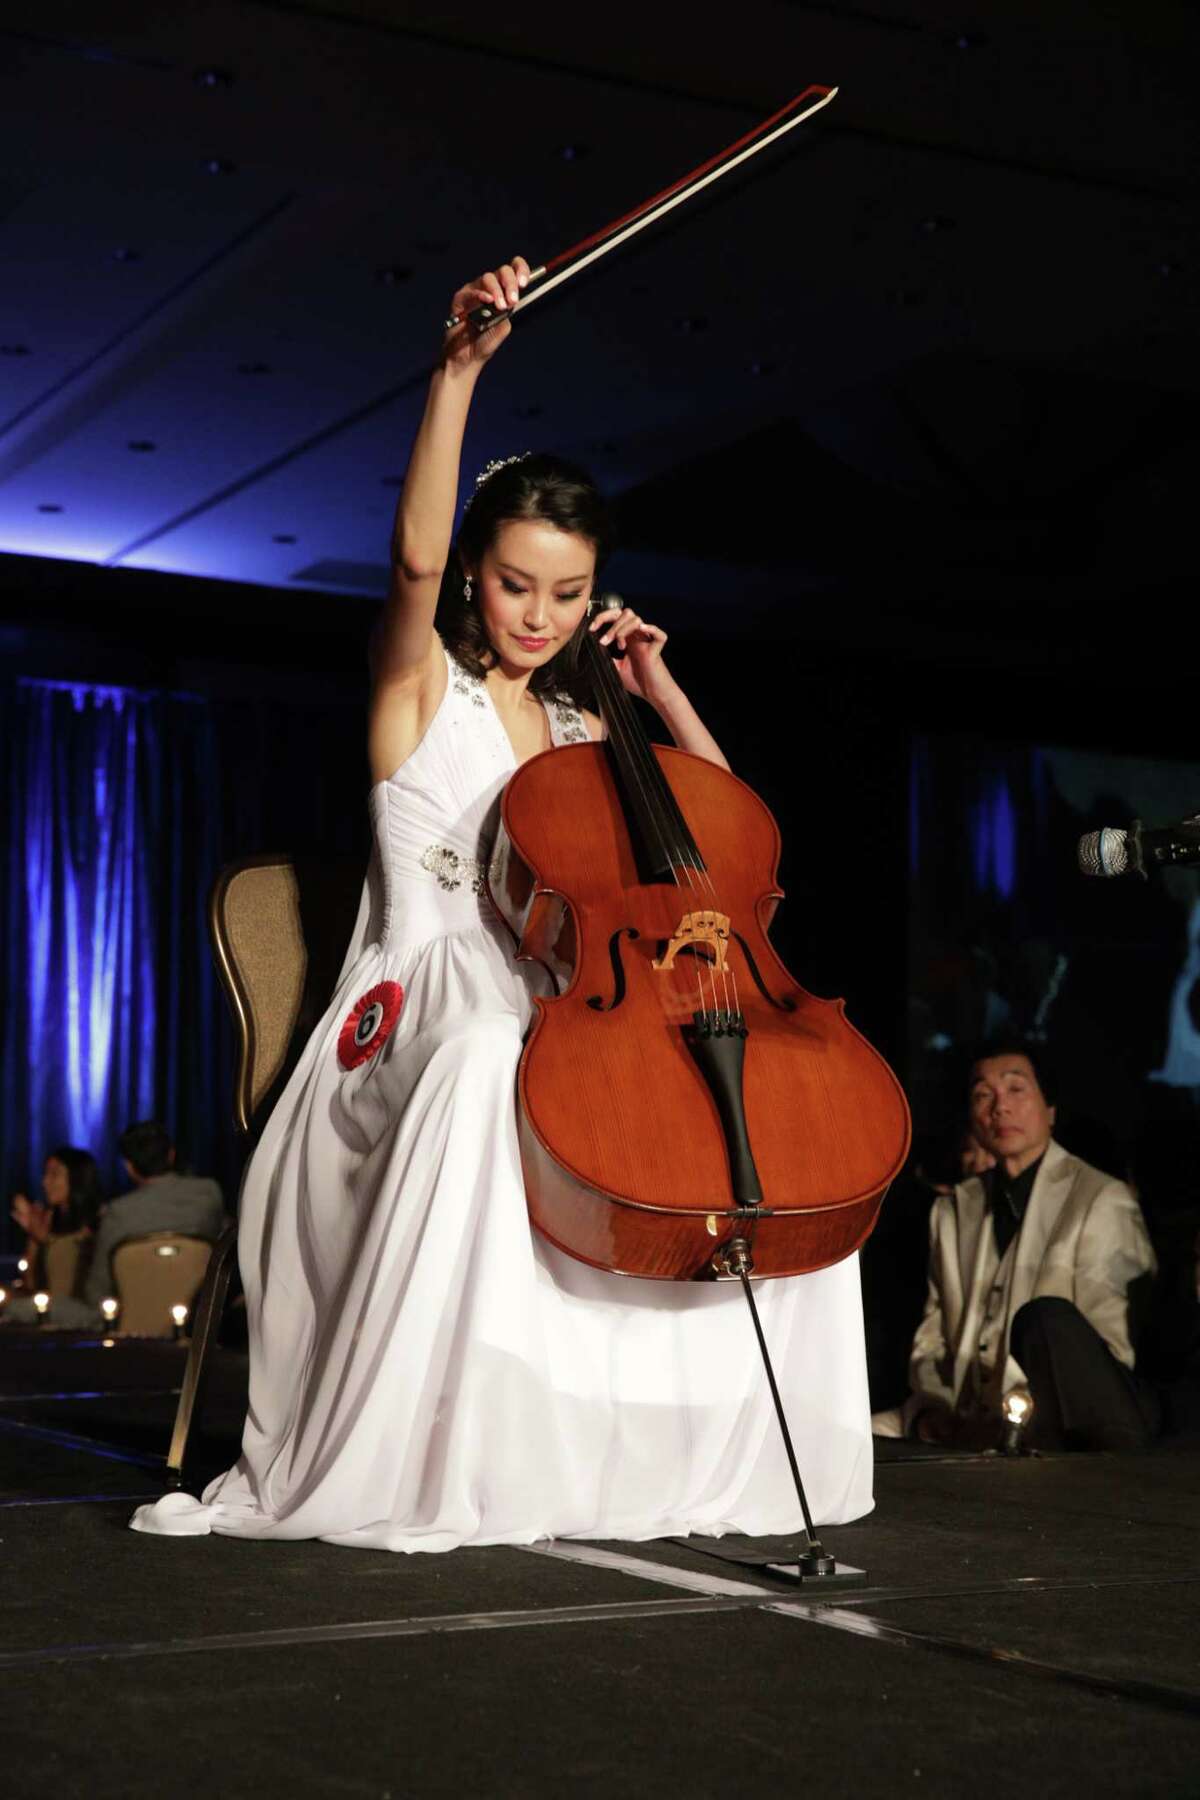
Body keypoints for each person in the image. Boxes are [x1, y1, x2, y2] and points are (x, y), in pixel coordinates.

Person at [132, 254, 874, 1549]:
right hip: (415, 1001)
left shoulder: (591, 720)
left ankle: (686, 1441)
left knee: (763, 1107)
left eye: (570, 592)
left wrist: (658, 694)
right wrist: (456, 375)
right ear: (479, 573)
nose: (540, 614)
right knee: (487, 1058)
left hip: (559, 992)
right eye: (516, 582)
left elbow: (720, 837)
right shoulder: (420, 693)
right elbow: (410, 562)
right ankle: (465, 1449)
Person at [874, 1039, 1158, 1450]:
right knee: (850, 1440)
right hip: (962, 1414)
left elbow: (1109, 1349)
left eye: (1016, 1089)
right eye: (982, 1095)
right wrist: (935, 1408)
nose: (999, 1107)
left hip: (1058, 1416)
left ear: (1051, 1108)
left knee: (1046, 1318)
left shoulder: (1099, 1198)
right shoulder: (954, 1210)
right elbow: (931, 1335)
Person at [3, 1123, 225, 1329]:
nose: (46, 1182)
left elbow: (97, 1292)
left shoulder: (118, 1213)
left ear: (129, 1167)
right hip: (199, 1328)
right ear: (171, 1155)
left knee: (16, 1308)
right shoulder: (210, 1194)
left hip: (128, 1329)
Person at [9, 1146, 104, 1294]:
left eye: (54, 1174)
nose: (45, 1182)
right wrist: (34, 1238)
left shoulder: (100, 1221)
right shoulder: (48, 1219)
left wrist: (46, 1241)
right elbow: (30, 1284)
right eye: (45, 1174)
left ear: (77, 1178)